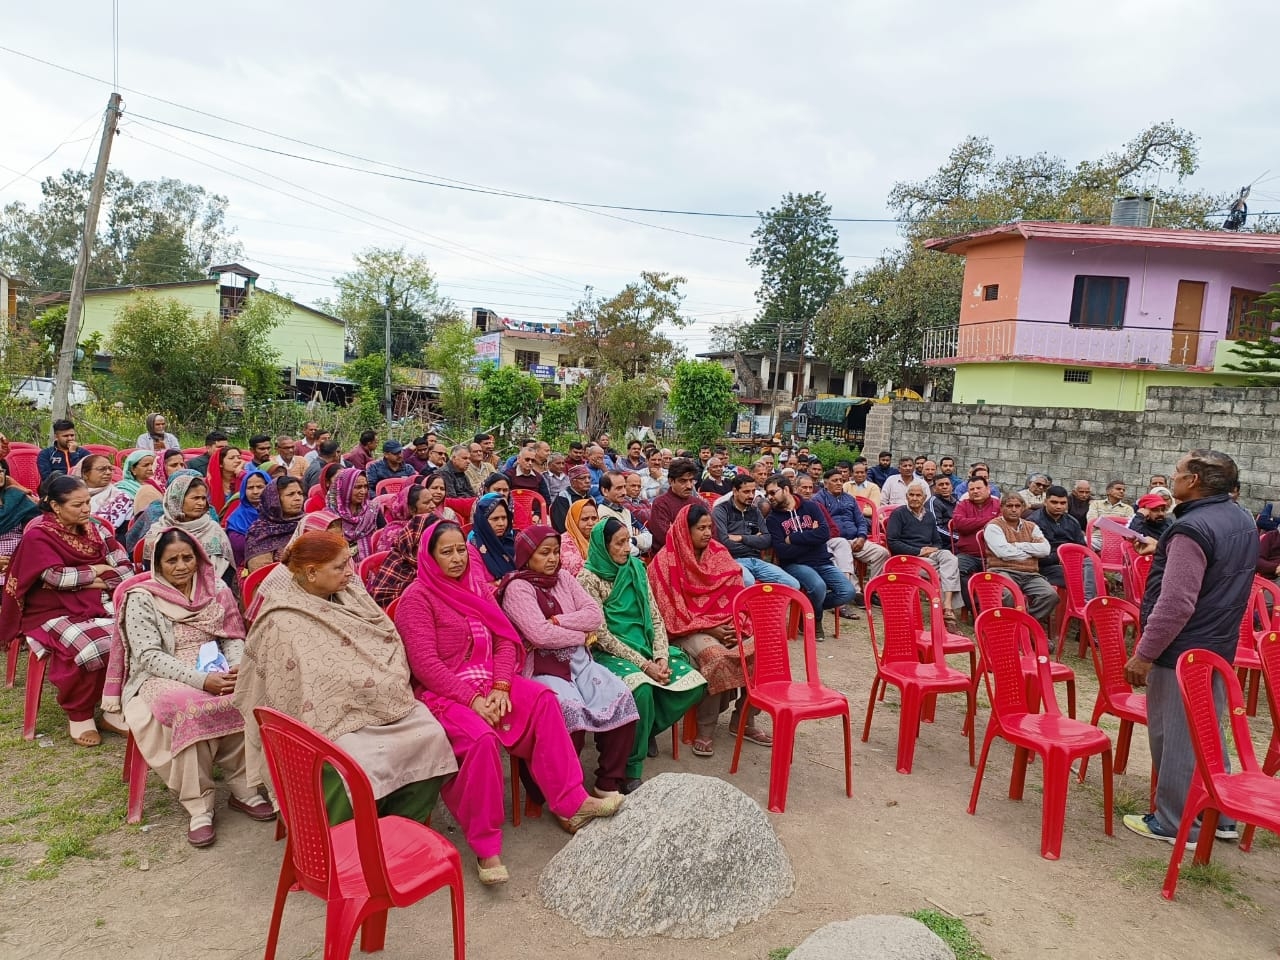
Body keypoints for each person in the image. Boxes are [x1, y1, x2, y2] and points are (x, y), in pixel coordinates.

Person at [397, 521, 622, 884]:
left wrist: (501, 686)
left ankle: (572, 801)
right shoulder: (417, 598)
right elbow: (426, 665)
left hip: (491, 681)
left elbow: (504, 639)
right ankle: (487, 848)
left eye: (460, 551)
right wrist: (472, 700)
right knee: (481, 740)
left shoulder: (477, 589)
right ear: (429, 556)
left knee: (543, 699)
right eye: (446, 552)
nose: (456, 559)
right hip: (446, 692)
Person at [237, 531, 457, 830]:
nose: (351, 572)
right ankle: (347, 841)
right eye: (340, 567)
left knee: (431, 736)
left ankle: (400, 827)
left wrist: (374, 683)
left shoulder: (350, 592)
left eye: (349, 563)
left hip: (381, 701)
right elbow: (301, 687)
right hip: (325, 720)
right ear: (311, 573)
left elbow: (387, 638)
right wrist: (357, 686)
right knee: (349, 762)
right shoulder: (282, 620)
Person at [104, 529, 273, 847]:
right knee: (191, 710)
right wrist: (200, 681)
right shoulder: (143, 599)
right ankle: (200, 806)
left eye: (187, 558)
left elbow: (232, 635)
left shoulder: (216, 588)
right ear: (157, 564)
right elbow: (149, 656)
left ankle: (244, 787)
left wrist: (235, 668)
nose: (181, 566)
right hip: (161, 675)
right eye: (172, 560)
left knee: (245, 696)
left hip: (216, 666)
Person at [1122, 450, 1257, 847]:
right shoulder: (1241, 518)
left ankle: (1176, 821)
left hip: (1182, 649)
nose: (1172, 477)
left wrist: (1145, 653)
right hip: (1218, 643)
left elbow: (1176, 601)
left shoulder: (1191, 529)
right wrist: (1161, 549)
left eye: (1179, 471)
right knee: (1210, 728)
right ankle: (1222, 815)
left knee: (1177, 733)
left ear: (1194, 480)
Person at [498, 526, 640, 796]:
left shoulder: (563, 577)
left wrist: (559, 621)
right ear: (528, 555)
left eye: (555, 552)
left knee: (621, 696)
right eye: (544, 553)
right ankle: (561, 789)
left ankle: (607, 781)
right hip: (541, 667)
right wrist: (579, 635)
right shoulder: (517, 588)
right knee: (567, 712)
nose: (552, 559)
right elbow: (539, 635)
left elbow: (594, 616)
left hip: (580, 663)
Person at [0, 475, 133, 744]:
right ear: (56, 506)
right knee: (94, 645)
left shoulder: (96, 529)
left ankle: (112, 708)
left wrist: (89, 579)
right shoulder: (39, 536)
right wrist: (98, 570)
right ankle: (80, 714)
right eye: (77, 505)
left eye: (88, 502)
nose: (86, 509)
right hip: (49, 610)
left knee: (132, 635)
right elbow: (55, 578)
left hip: (99, 601)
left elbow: (125, 568)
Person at [578, 518, 707, 784]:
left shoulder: (636, 567)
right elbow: (601, 635)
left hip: (646, 646)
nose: (628, 548)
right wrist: (644, 665)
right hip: (609, 654)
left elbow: (655, 615)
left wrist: (660, 655)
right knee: (642, 689)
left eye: (629, 541)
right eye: (620, 543)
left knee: (694, 682)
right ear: (604, 546)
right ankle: (630, 765)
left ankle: (643, 729)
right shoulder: (588, 578)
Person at [650, 504, 771, 757]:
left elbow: (736, 593)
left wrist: (731, 624)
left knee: (765, 652)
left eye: (709, 527)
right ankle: (705, 729)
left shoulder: (718, 553)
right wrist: (710, 628)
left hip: (726, 623)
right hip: (685, 629)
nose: (707, 533)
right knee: (715, 657)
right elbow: (667, 613)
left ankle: (743, 720)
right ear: (686, 529)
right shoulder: (666, 561)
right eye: (700, 528)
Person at [763, 473, 855, 639]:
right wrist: (811, 539)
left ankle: (807, 610)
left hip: (822, 561)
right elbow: (783, 551)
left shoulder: (811, 507)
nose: (770, 498)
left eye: (772, 492)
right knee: (818, 586)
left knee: (848, 591)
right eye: (767, 494)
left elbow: (824, 534)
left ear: (786, 489)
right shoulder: (773, 519)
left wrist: (794, 538)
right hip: (794, 565)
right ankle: (816, 620)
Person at [885, 480, 962, 626]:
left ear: (924, 497)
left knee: (950, 558)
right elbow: (893, 542)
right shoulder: (899, 514)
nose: (914, 498)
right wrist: (919, 551)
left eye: (918, 495)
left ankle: (946, 604)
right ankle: (946, 611)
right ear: (906, 497)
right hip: (909, 558)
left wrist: (933, 549)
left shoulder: (929, 516)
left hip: (929, 556)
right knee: (947, 573)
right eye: (911, 495)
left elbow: (937, 541)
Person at [982, 494, 1058, 628]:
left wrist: (1017, 545)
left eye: (1017, 506)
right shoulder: (994, 526)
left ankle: (1026, 625)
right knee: (1009, 594)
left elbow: (1045, 550)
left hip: (1030, 574)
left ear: (1023, 508)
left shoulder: (1031, 526)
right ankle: (1015, 627)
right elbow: (1003, 553)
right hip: (1002, 571)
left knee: (1050, 595)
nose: (1013, 509)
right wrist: (1032, 551)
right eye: (1009, 506)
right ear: (1002, 508)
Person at [712, 474, 799, 589]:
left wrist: (742, 538)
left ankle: (769, 607)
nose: (751, 495)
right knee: (748, 582)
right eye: (746, 492)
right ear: (735, 491)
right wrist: (755, 542)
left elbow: (767, 540)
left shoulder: (754, 511)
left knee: (793, 584)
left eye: (753, 491)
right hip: (732, 560)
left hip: (756, 560)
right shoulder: (721, 510)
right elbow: (725, 543)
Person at [1027, 484, 1090, 592]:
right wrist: (1058, 558)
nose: (1059, 506)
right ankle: (1083, 603)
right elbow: (1033, 554)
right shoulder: (1033, 522)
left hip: (1071, 561)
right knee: (1075, 575)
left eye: (1063, 503)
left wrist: (1073, 559)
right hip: (1046, 567)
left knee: (1091, 563)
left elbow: (1082, 548)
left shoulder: (1072, 522)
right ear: (1046, 502)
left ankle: (1088, 602)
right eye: (1054, 502)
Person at [243, 477, 306, 572]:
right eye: (290, 494)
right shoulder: (260, 531)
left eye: (300, 493)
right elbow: (261, 573)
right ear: (274, 499)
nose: (298, 498)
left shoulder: (307, 523)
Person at [951, 475, 1002, 581]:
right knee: (957, 572)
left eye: (979, 488)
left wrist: (972, 524)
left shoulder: (999, 505)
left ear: (988, 489)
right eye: (972, 489)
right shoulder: (963, 505)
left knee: (999, 578)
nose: (975, 491)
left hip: (994, 556)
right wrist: (991, 519)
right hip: (967, 555)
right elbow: (960, 525)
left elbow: (1001, 525)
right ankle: (968, 598)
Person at [0, 459, 40, 588]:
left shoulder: (17, 497)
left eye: (0, 471)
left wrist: (18, 559)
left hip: (20, 560)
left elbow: (36, 532)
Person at [647, 457, 699, 550]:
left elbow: (711, 533)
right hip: (670, 554)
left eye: (691, 480)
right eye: (683, 481)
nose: (689, 486)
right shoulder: (660, 504)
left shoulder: (699, 503)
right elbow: (666, 537)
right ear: (671, 481)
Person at [326, 467, 377, 561]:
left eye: (365, 487)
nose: (363, 491)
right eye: (358, 487)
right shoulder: (329, 516)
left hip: (371, 563)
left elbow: (381, 539)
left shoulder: (372, 510)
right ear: (344, 488)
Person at [77, 454, 134, 535]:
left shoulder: (121, 498)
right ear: (85, 474)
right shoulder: (72, 495)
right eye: (101, 469)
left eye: (110, 469)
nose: (108, 472)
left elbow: (124, 532)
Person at [597, 471, 652, 555]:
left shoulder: (625, 511)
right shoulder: (602, 514)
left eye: (624, 487)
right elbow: (624, 550)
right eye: (619, 488)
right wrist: (639, 546)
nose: (624, 492)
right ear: (605, 491)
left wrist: (633, 540)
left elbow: (649, 538)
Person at [225, 469, 269, 568]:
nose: (255, 492)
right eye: (250, 488)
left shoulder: (278, 513)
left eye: (260, 487)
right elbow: (239, 546)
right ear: (243, 490)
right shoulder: (237, 518)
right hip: (245, 568)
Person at [469, 492, 517, 583]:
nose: (501, 524)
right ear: (482, 521)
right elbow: (478, 585)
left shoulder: (512, 541)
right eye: (495, 519)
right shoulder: (473, 548)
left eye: (504, 518)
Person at [1087, 479, 1134, 548]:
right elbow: (1092, 522)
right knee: (1081, 542)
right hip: (1097, 539)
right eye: (1118, 489)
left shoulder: (1128, 509)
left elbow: (1127, 528)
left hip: (1118, 541)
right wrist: (1115, 524)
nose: (1122, 491)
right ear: (1108, 491)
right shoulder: (1096, 504)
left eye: (1123, 490)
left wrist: (1103, 522)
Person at [378, 482, 424, 548]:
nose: (433, 506)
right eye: (426, 503)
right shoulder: (396, 532)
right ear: (411, 509)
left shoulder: (430, 522)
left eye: (432, 501)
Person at [560, 498, 597, 578]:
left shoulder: (600, 538)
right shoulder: (564, 542)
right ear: (574, 520)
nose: (591, 523)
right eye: (585, 519)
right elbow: (577, 570)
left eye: (594, 518)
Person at [550, 465, 592, 533]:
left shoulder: (591, 498)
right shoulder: (563, 498)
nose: (587, 481)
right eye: (582, 478)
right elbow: (563, 525)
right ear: (573, 481)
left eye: (589, 478)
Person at [205, 447, 244, 519]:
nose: (238, 461)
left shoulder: (244, 479)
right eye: (231, 458)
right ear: (220, 464)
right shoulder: (208, 484)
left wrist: (240, 474)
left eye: (239, 458)